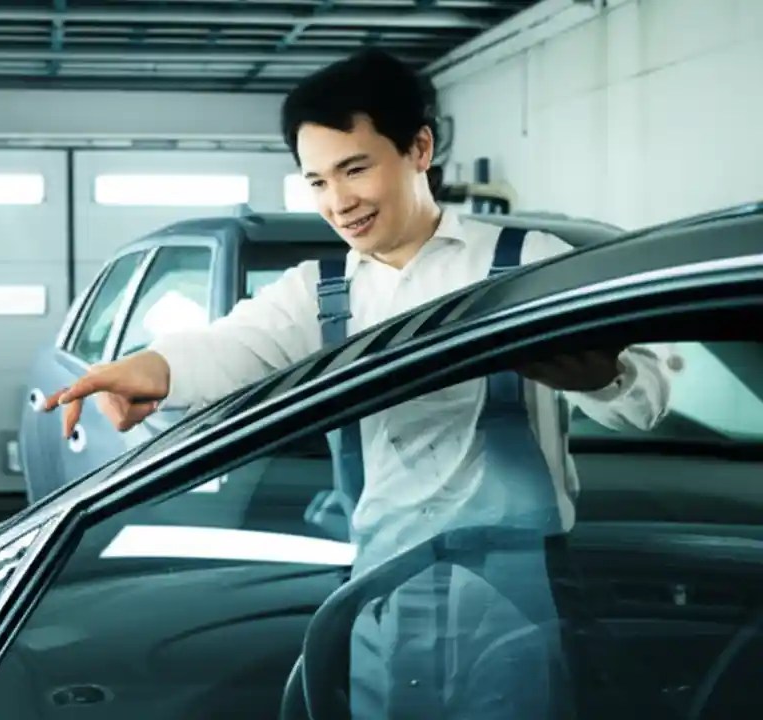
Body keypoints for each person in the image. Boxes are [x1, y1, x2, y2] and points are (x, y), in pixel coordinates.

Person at [42, 49, 676, 718]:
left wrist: (604, 375)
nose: (338, 202)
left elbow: (648, 402)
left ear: (419, 148)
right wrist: (149, 368)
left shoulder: (525, 265)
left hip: (519, 599)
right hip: (382, 590)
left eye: (355, 169)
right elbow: (228, 346)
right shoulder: (321, 295)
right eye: (315, 181)